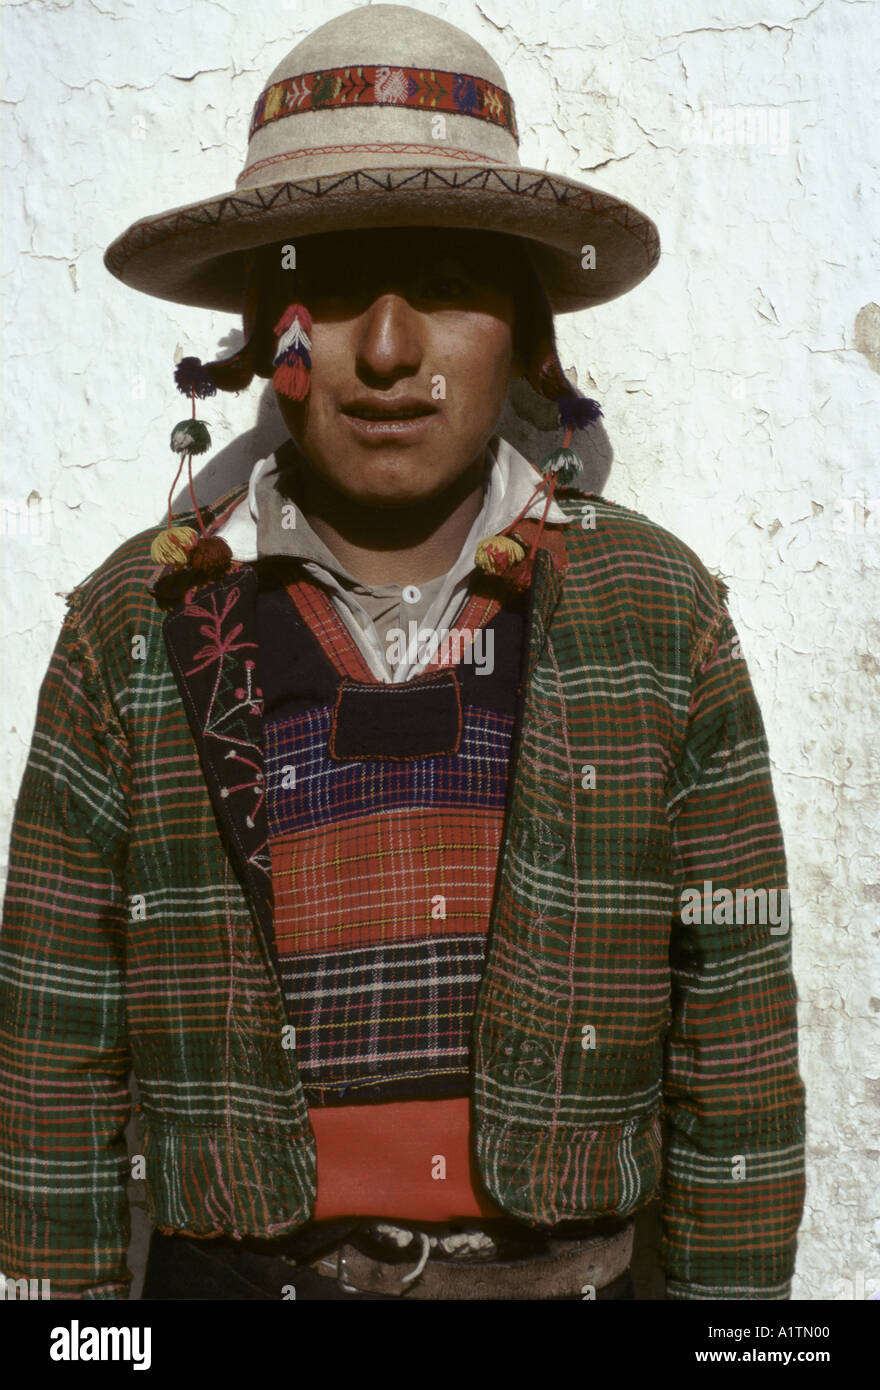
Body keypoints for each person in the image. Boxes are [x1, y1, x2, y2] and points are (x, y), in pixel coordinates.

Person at [0, 4, 805, 1301]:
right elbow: (49, 1060)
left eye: (442, 281)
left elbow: (741, 1045)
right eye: (325, 291)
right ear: (267, 335)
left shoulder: (660, 620)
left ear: (529, 334)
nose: (383, 349)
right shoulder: (132, 631)